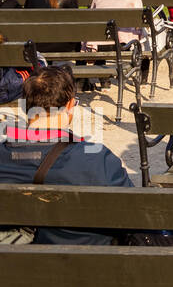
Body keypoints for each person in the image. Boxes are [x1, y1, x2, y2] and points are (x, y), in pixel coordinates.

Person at [0, 67, 134, 245]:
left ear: (25, 106)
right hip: (90, 265)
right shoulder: (98, 159)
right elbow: (133, 212)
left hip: (13, 266)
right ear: (70, 105)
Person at [88, 0, 146, 75]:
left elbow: (91, 19)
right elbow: (139, 20)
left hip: (100, 43)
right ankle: (143, 78)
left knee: (101, 36)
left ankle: (104, 82)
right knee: (145, 36)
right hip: (124, 44)